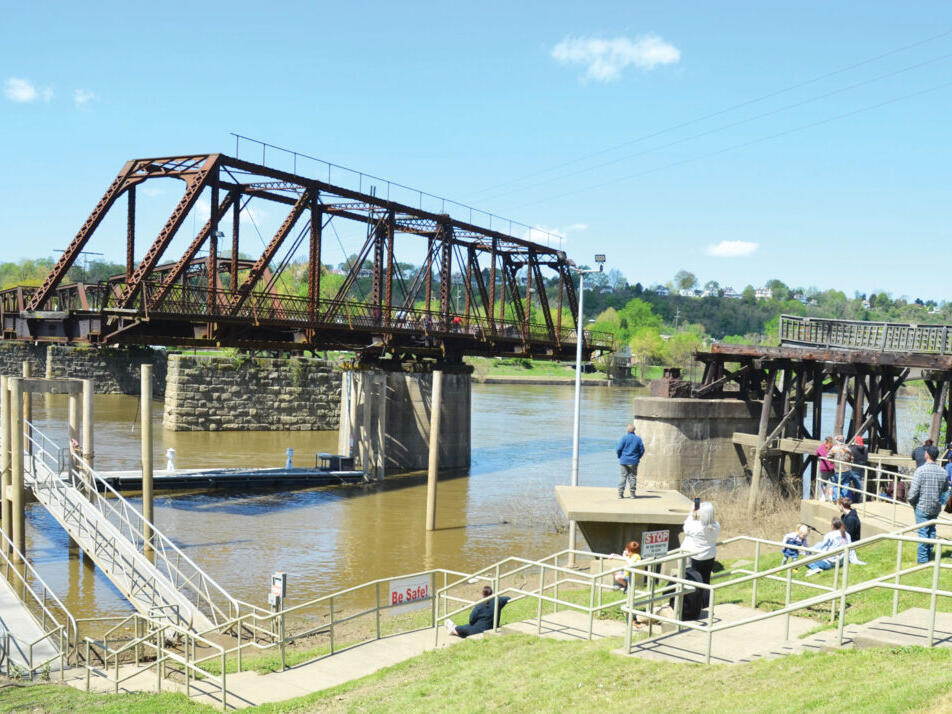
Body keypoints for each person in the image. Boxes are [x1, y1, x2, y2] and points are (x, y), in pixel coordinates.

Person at [908, 444, 946, 564]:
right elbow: (945, 489)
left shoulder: (920, 471)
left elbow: (913, 492)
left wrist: (912, 502)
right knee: (932, 531)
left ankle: (923, 560)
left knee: (923, 532)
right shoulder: (943, 472)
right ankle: (929, 555)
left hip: (922, 506)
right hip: (935, 506)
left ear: (927, 455)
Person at [445, 586, 510, 638]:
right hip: (492, 627)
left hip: (479, 630)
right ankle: (453, 627)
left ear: (483, 594)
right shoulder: (498, 601)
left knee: (459, 628)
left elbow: (471, 620)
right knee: (464, 628)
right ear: (492, 593)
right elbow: (508, 598)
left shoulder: (479, 606)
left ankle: (453, 628)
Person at [682, 501, 720, 586]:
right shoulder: (717, 526)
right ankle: (706, 598)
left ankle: (696, 598)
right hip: (710, 556)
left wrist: (691, 514)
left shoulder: (697, 528)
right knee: (706, 580)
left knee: (695, 581)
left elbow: (686, 528)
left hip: (697, 558)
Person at [616, 424, 645, 499]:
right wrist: (638, 457)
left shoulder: (624, 438)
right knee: (632, 477)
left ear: (627, 430)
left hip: (624, 460)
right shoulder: (638, 439)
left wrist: (620, 457)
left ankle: (620, 494)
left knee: (623, 477)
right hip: (634, 461)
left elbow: (618, 449)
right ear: (634, 430)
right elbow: (642, 450)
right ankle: (632, 494)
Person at [827, 435, 853, 500]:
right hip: (847, 469)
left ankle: (836, 498)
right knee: (846, 484)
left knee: (836, 484)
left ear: (837, 441)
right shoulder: (848, 448)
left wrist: (833, 462)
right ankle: (844, 498)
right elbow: (852, 458)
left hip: (838, 469)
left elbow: (828, 457)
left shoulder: (835, 448)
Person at [846, 436, 869, 502]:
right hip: (862, 469)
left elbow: (848, 453)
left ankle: (848, 499)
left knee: (846, 482)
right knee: (859, 486)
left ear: (855, 441)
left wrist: (852, 445)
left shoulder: (852, 448)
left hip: (853, 469)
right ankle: (857, 500)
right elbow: (866, 458)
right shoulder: (866, 449)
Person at [815, 436, 836, 501]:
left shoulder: (821, 447)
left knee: (823, 483)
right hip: (832, 468)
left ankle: (823, 496)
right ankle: (830, 497)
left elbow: (816, 453)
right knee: (831, 484)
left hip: (824, 468)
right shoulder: (833, 448)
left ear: (825, 441)